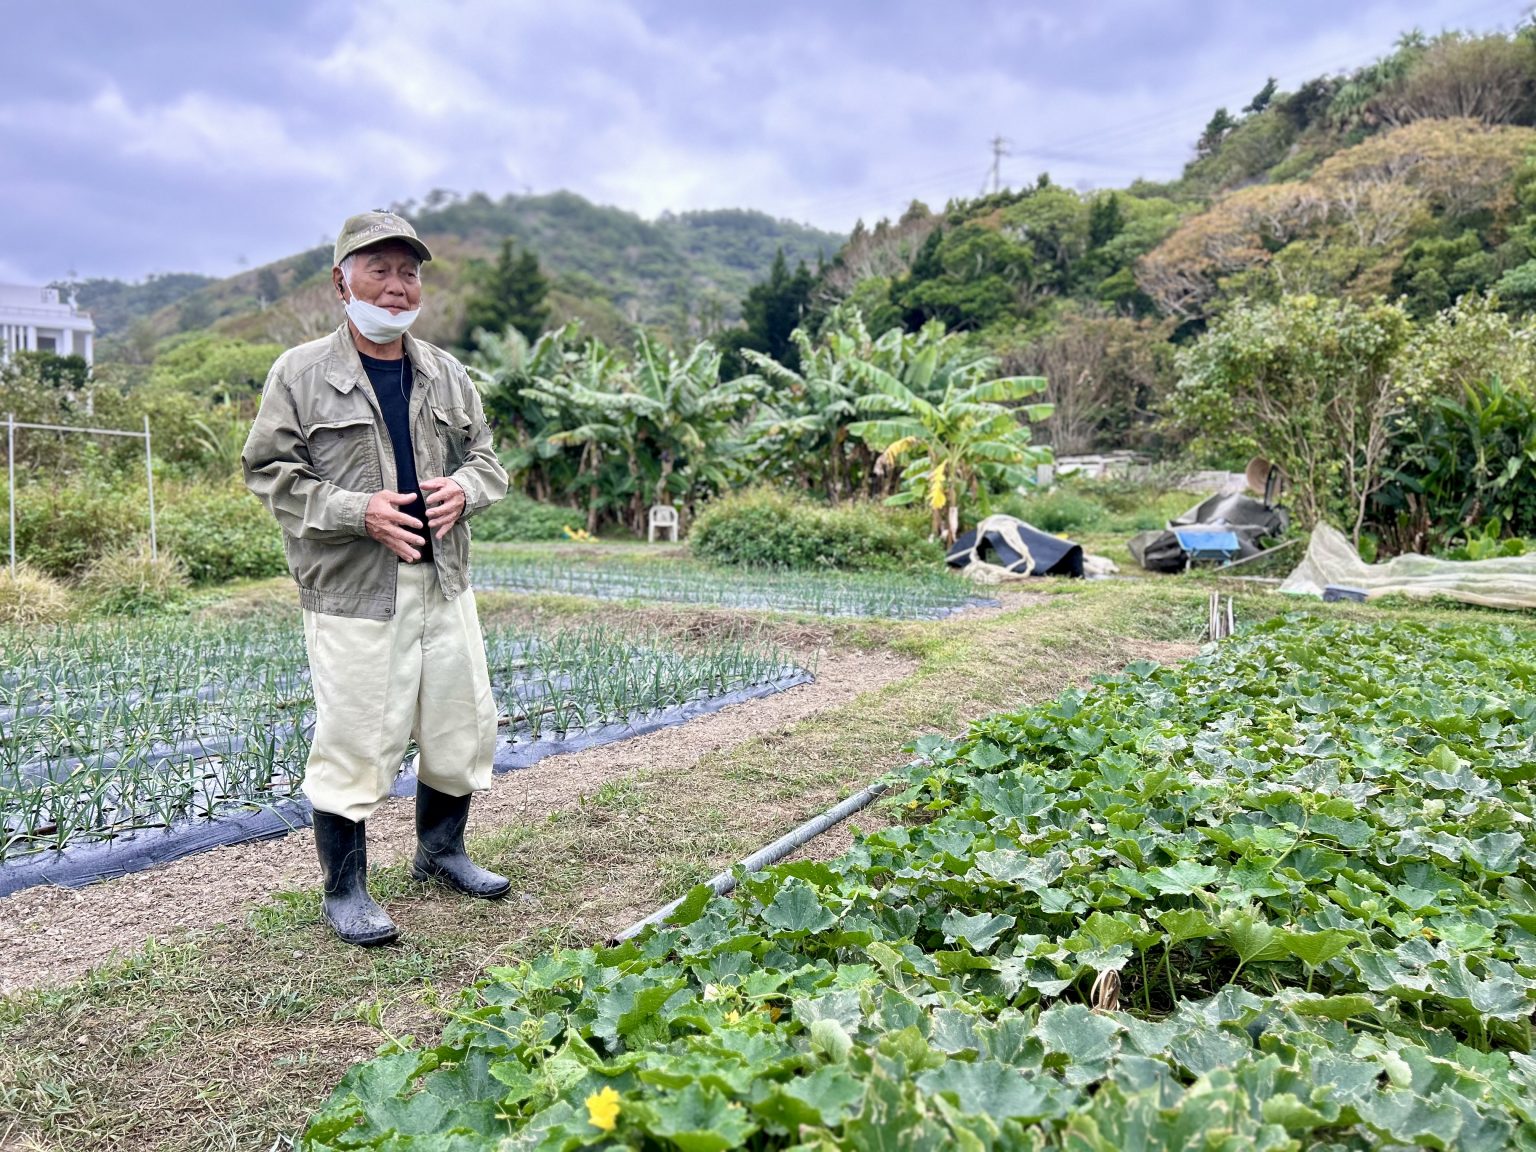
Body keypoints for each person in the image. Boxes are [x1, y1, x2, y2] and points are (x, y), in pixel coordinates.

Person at [242, 210, 510, 947]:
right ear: (342, 281)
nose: (397, 287)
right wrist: (358, 511)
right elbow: (269, 473)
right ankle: (346, 888)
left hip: (444, 581)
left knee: (460, 723)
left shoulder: (446, 373)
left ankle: (441, 851)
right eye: (379, 270)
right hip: (355, 592)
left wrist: (466, 489)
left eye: (409, 273)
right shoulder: (301, 373)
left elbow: (487, 461)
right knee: (356, 734)